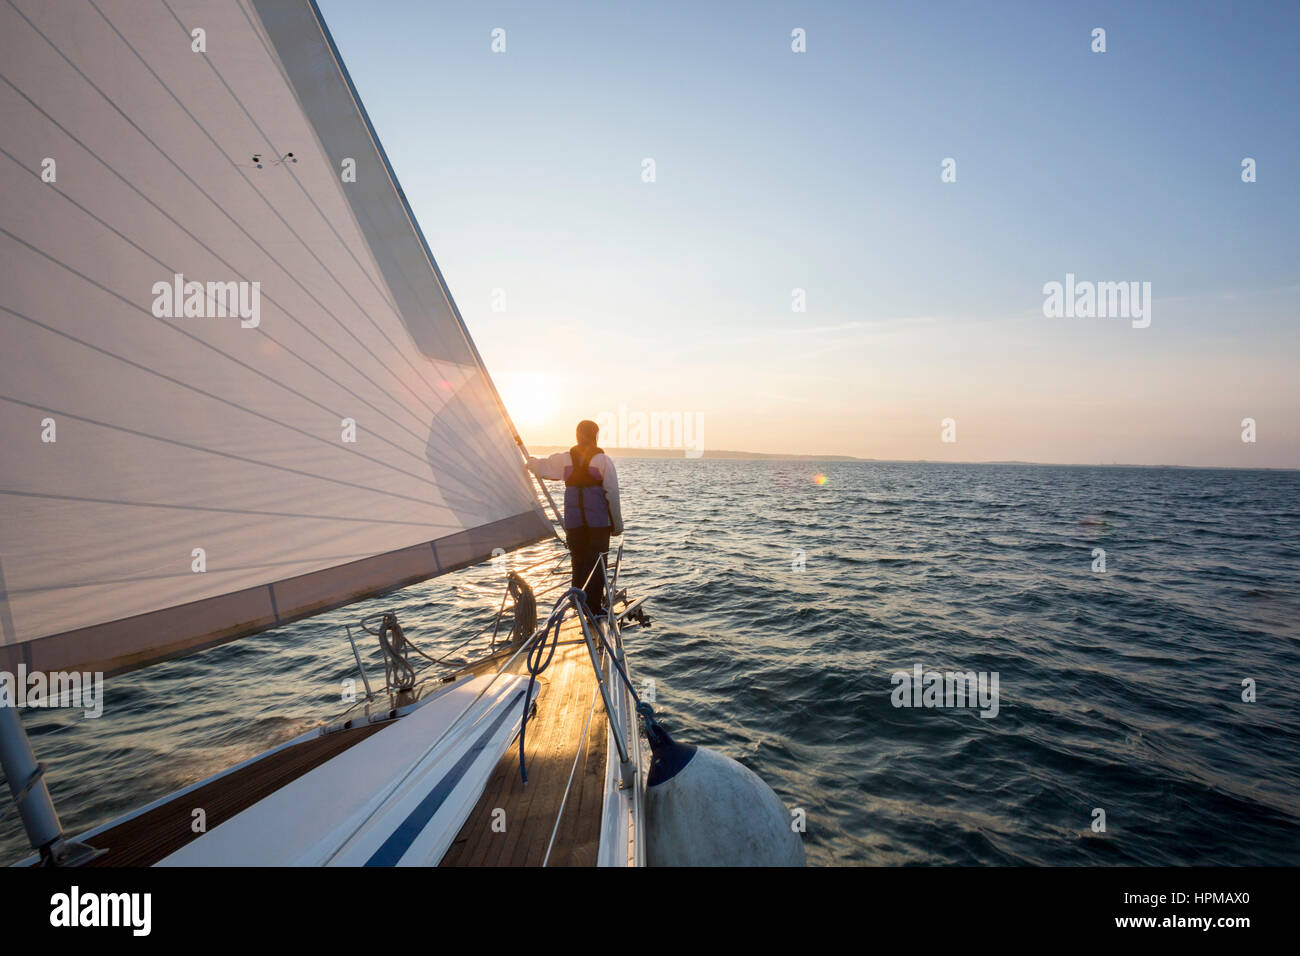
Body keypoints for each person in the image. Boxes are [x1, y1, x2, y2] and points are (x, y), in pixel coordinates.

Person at [527, 420, 623, 615]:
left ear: (577, 435)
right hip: (598, 526)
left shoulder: (564, 460)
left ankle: (578, 606)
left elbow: (541, 467)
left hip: (575, 524)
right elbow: (612, 493)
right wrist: (617, 525)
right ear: (595, 436)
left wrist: (530, 462)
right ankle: (594, 609)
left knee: (578, 564)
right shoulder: (603, 462)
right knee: (597, 565)